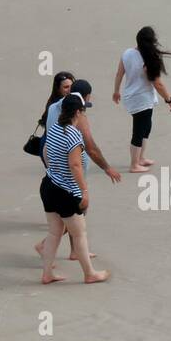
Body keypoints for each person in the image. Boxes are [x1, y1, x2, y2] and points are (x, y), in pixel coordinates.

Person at [35, 77, 122, 262]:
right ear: (86, 96)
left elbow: (48, 138)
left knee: (64, 212)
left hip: (53, 161)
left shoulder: (54, 106)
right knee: (75, 210)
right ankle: (60, 249)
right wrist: (107, 168)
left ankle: (69, 250)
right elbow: (90, 147)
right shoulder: (77, 115)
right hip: (71, 166)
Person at [112, 26, 171, 173]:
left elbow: (119, 74)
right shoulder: (150, 59)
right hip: (141, 100)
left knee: (147, 126)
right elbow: (158, 84)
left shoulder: (127, 53)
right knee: (139, 131)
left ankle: (140, 158)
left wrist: (116, 91)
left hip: (133, 97)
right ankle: (134, 164)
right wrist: (169, 99)